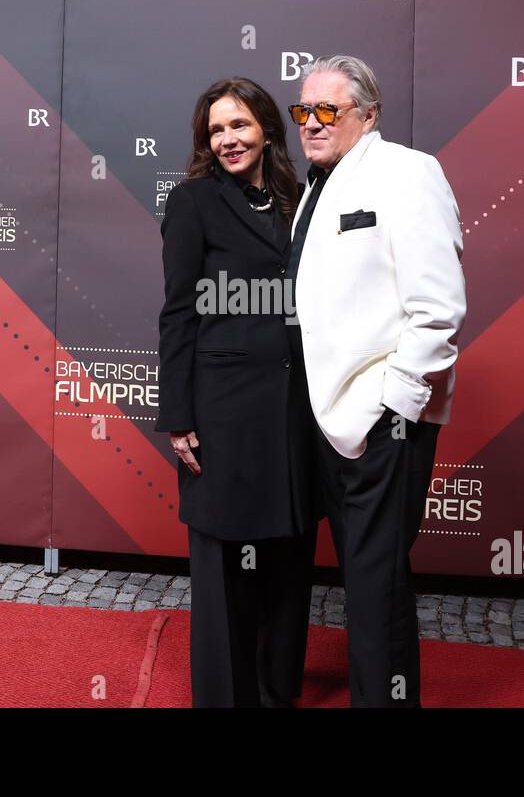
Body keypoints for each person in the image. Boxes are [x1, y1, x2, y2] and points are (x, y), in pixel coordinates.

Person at [285, 54, 467, 707]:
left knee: (376, 582)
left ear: (368, 114)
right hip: (322, 418)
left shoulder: (408, 174)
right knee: (357, 580)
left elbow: (438, 309)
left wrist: (393, 409)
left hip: (380, 421)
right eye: (302, 110)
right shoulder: (316, 184)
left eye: (326, 110)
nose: (310, 122)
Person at [156, 77, 318, 708]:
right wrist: (177, 413)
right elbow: (176, 312)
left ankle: (279, 694)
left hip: (297, 408)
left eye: (240, 125)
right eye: (216, 130)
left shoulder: (299, 198)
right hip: (222, 411)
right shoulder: (193, 202)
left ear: (268, 130)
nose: (228, 139)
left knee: (289, 558)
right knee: (226, 562)